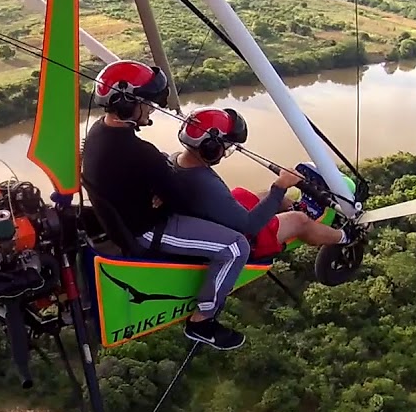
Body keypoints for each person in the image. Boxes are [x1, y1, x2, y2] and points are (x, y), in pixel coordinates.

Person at [80, 59, 248, 351]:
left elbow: (152, 184)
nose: (150, 108)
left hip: (124, 220)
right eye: (146, 102)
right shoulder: (140, 152)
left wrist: (158, 187)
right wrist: (162, 191)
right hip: (147, 229)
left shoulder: (98, 132)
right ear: (126, 105)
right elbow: (181, 202)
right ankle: (202, 322)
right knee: (236, 247)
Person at [170, 107, 360, 259]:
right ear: (210, 148)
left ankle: (297, 209)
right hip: (238, 238)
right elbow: (250, 226)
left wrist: (276, 193)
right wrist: (280, 187)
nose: (224, 152)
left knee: (257, 196)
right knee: (298, 220)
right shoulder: (205, 184)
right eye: (224, 147)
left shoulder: (177, 160)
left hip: (205, 219)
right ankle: (345, 237)